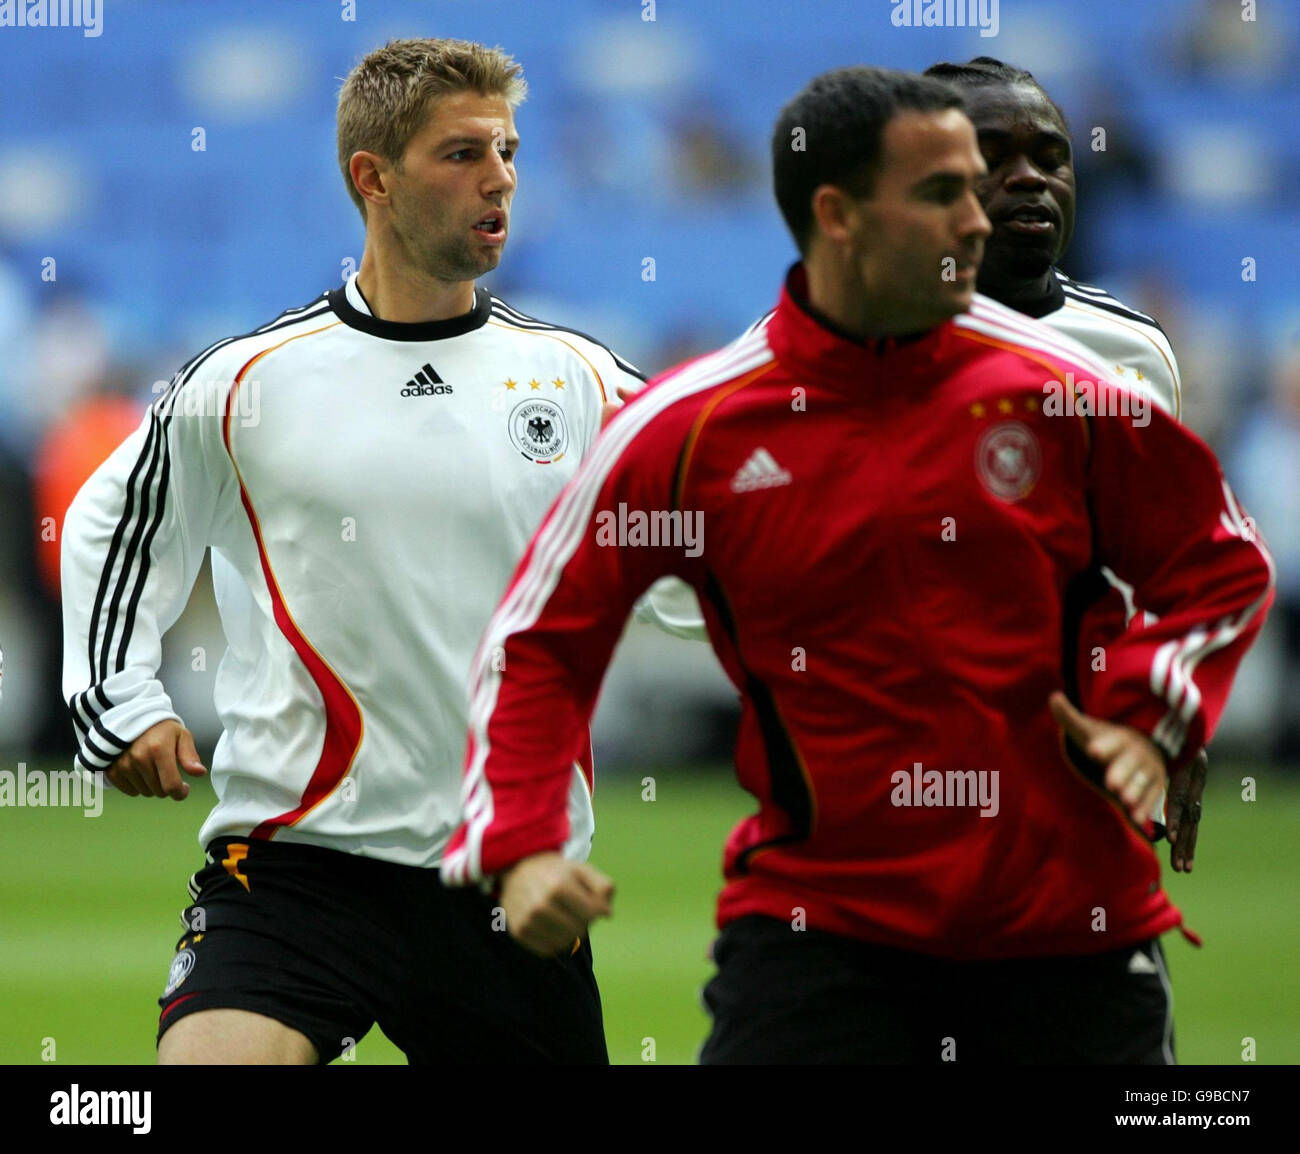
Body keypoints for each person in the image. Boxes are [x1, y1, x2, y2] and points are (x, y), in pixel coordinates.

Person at [440, 66, 1274, 1064]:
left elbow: (1218, 561)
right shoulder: (687, 426)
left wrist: (1152, 705)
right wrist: (524, 844)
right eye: (942, 192)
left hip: (1072, 938)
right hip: (815, 942)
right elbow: (543, 640)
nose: (979, 219)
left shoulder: (1070, 395)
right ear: (836, 213)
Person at [61, 37, 688, 1066]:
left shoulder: (578, 383)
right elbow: (111, 520)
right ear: (373, 177)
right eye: (462, 153)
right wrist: (120, 702)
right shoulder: (247, 381)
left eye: (510, 150)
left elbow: (713, 550)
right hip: (296, 865)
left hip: (502, 871)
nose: (501, 177)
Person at [921, 56, 1210, 872]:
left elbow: (1163, 566)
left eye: (1050, 158)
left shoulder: (1133, 355)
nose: (1030, 180)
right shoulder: (832, 341)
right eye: (991, 159)